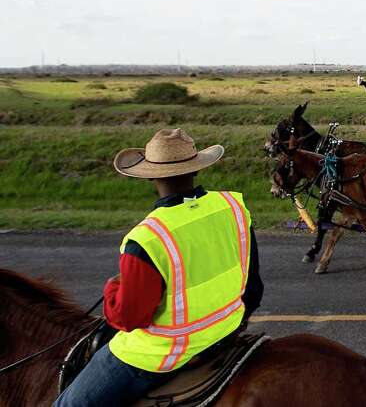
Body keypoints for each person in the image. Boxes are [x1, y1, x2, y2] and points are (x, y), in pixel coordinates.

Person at [56, 128, 264, 407]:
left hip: (162, 354)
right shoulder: (233, 207)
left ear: (151, 175)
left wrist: (113, 288)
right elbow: (253, 286)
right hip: (226, 329)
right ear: (196, 169)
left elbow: (128, 319)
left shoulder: (146, 238)